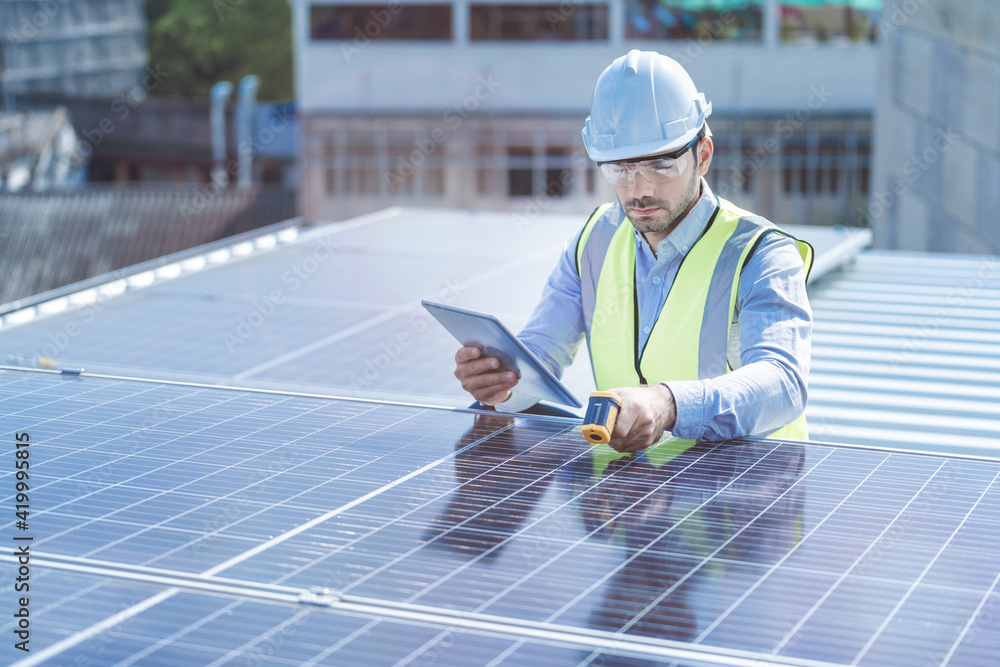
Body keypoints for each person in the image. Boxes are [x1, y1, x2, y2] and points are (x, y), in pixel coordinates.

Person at [455, 50, 813, 453]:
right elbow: (540, 356)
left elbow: (783, 382)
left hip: (742, 502)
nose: (639, 189)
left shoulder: (761, 254)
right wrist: (501, 384)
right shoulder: (594, 240)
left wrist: (669, 404)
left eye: (661, 165)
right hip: (628, 494)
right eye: (620, 169)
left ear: (704, 155)